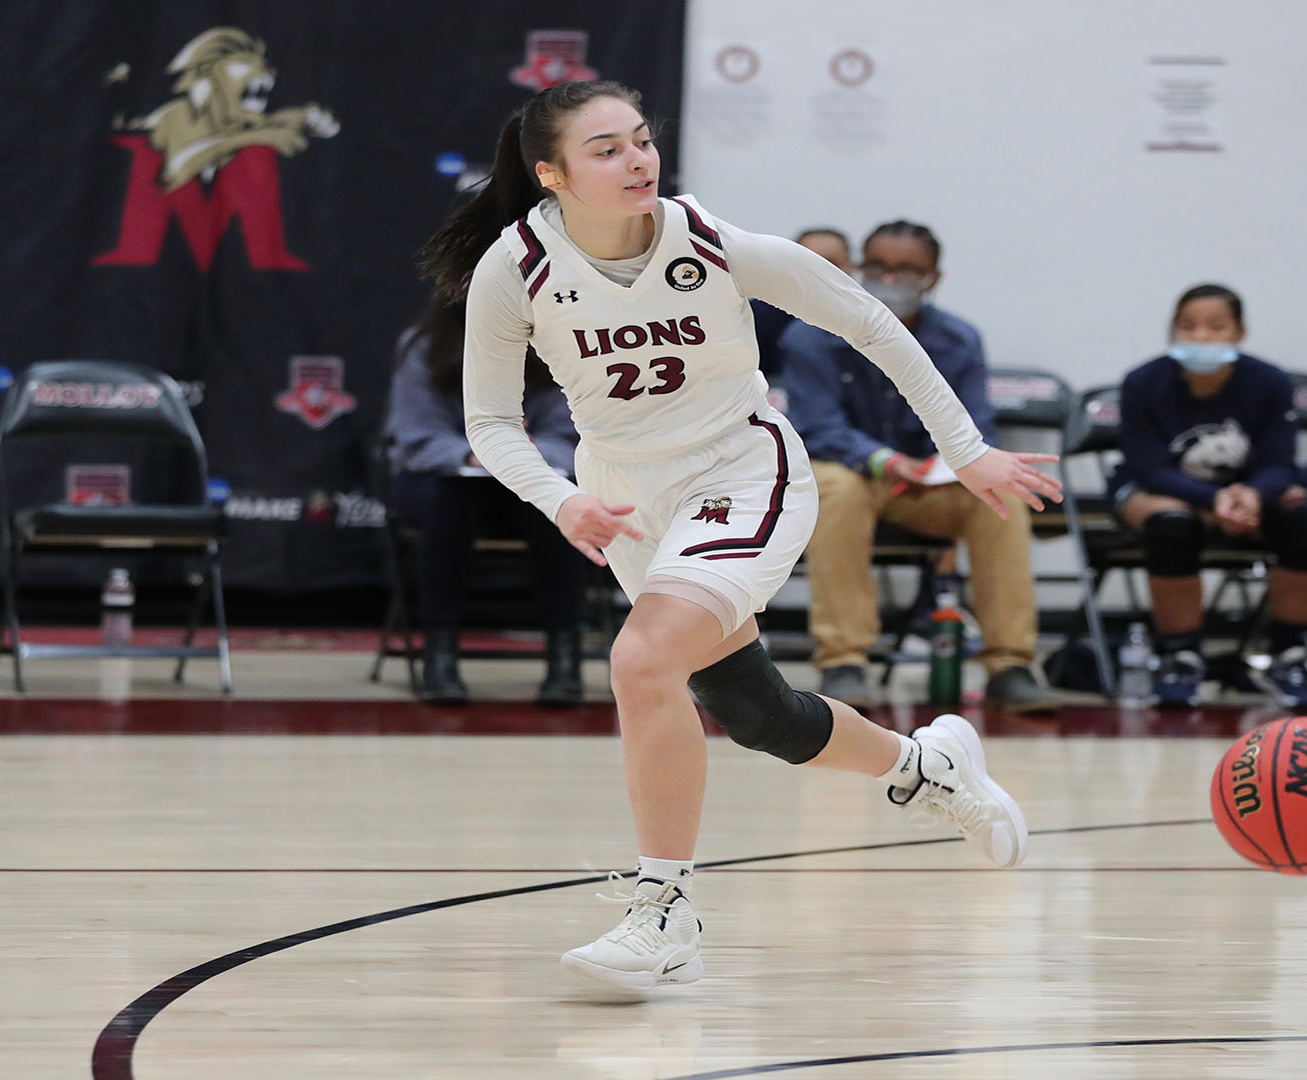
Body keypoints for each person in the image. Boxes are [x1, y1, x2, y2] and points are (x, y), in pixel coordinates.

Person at [423, 81, 1060, 990]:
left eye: (641, 140)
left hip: (740, 471)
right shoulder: (514, 266)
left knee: (642, 663)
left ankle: (665, 912)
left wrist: (964, 451)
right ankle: (928, 768)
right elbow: (489, 422)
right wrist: (560, 499)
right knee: (756, 713)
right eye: (607, 149)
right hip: (625, 499)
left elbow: (870, 321)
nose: (638, 158)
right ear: (551, 174)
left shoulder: (710, 243)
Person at [781, 220, 1058, 713]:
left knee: (1003, 496)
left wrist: (945, 465)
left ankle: (1009, 664)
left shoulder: (958, 339)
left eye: (908, 270)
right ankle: (843, 659)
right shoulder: (811, 336)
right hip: (856, 475)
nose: (892, 279)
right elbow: (818, 427)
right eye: (880, 267)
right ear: (860, 268)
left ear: (933, 278)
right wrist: (887, 462)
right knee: (836, 488)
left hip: (931, 483)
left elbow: (977, 428)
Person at [1112, 284, 1307, 709]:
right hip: (1168, 493)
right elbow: (1149, 468)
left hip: (1249, 496)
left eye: (1216, 326)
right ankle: (1180, 657)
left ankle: (1290, 656)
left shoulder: (1269, 381)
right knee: (1171, 525)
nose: (1201, 336)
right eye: (1188, 326)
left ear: (1239, 332)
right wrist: (1212, 500)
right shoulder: (1143, 382)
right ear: (1171, 330)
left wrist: (1251, 495)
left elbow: (1280, 462)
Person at [386, 295, 590, 706]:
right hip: (448, 475)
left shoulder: (561, 344)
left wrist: (526, 455)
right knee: (451, 499)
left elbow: (573, 433)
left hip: (534, 472)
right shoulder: (424, 345)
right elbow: (415, 433)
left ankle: (564, 657)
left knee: (560, 505)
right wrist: (470, 454)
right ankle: (439, 655)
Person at [752, 227, 851, 378]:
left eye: (830, 264)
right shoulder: (756, 316)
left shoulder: (863, 318)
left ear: (849, 268)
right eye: (808, 261)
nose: (818, 271)